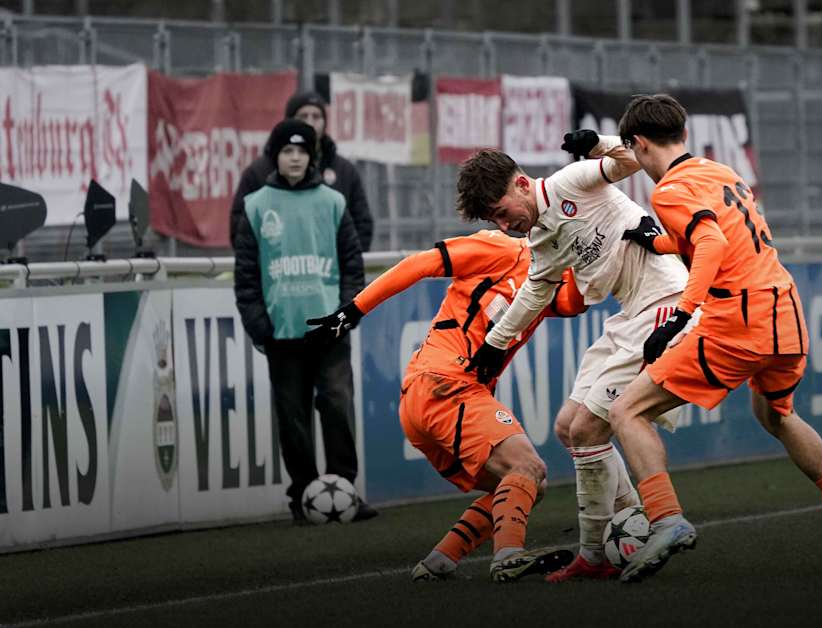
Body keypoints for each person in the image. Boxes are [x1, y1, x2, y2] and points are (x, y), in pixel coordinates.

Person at [606, 94, 822, 582]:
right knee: (777, 415)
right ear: (683, 135)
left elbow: (710, 242)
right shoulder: (721, 172)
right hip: (785, 311)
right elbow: (720, 234)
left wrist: (679, 316)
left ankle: (666, 519)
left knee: (626, 411)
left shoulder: (668, 191)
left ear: (640, 144)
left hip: (739, 320)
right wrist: (659, 242)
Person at [458, 137, 695, 581]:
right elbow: (535, 291)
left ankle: (603, 550)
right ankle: (628, 522)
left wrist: (599, 144)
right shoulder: (541, 236)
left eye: (502, 212)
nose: (504, 225)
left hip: (666, 302)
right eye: (493, 221)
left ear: (522, 185)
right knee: (569, 426)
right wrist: (495, 343)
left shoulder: (571, 181)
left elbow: (632, 160)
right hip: (630, 315)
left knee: (591, 428)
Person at [306, 228, 587, 582]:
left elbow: (575, 302)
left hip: (432, 397)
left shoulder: (550, 280)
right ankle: (508, 556)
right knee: (526, 467)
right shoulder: (502, 248)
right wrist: (353, 310)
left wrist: (595, 258)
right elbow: (419, 264)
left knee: (528, 484)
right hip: (445, 384)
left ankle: (442, 559)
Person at [233, 118, 376, 525]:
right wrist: (260, 326)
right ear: (275, 157)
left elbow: (352, 266)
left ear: (311, 157)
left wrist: (344, 316)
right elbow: (246, 277)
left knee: (337, 408)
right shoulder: (256, 206)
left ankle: (345, 489)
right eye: (287, 151)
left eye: (301, 151)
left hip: (329, 332)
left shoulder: (332, 202)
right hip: (282, 333)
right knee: (292, 418)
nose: (294, 158)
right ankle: (303, 496)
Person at [230, 91, 374, 251]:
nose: (310, 122)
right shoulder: (258, 172)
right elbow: (241, 229)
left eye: (316, 116)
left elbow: (361, 224)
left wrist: (342, 260)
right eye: (303, 116)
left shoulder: (345, 171)